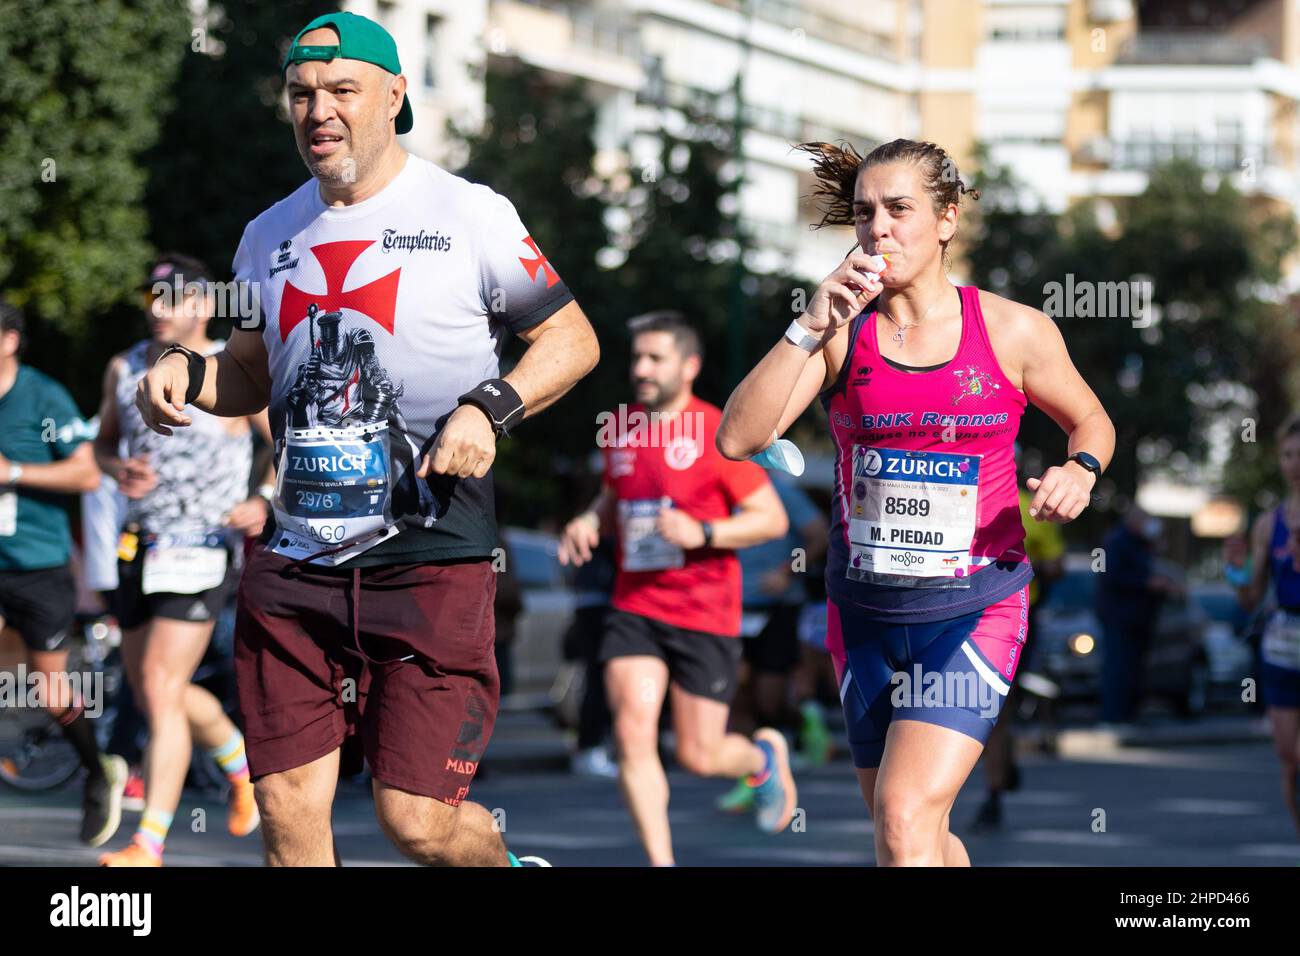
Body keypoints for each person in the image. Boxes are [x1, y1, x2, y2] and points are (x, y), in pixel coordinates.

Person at [135, 11, 598, 867]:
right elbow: (243, 372)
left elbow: (573, 340)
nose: (320, 112)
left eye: (342, 91)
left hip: (431, 556)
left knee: (414, 821)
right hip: (296, 562)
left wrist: (488, 407)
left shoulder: (472, 214)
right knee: (285, 813)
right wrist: (182, 373)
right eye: (302, 94)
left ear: (394, 96)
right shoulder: (263, 235)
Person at [717, 138, 1115, 866]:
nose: (879, 229)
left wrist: (1081, 470)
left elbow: (1093, 421)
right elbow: (740, 437)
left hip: (974, 611)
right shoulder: (840, 333)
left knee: (903, 820)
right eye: (865, 214)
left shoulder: (1013, 329)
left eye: (900, 210)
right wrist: (808, 326)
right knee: (909, 831)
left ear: (946, 220)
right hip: (863, 614)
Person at [558, 310, 794, 867]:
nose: (641, 368)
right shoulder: (621, 429)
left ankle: (761, 757)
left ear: (689, 366)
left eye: (655, 358)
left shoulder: (718, 432)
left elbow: (771, 520)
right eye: (637, 357)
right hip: (634, 605)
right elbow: (615, 497)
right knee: (634, 733)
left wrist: (704, 530)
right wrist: (590, 520)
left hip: (703, 609)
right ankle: (661, 861)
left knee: (699, 754)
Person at [94, 254, 273, 866]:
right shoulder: (125, 367)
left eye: (172, 298)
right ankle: (240, 763)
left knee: (162, 687)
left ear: (203, 305)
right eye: (152, 297)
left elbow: (284, 440)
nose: (158, 309)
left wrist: (264, 499)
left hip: (201, 547)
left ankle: (149, 842)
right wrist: (118, 469)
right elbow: (103, 446)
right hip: (138, 545)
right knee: (152, 688)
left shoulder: (232, 366)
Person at [0, 300, 123, 846]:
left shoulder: (42, 395)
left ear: (10, 340)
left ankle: (98, 772)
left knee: (49, 690)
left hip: (36, 566)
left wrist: (15, 471)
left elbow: (88, 475)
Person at [718, 470, 830, 813]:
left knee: (768, 696)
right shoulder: (719, 490)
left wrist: (787, 572)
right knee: (736, 692)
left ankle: (802, 721)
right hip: (730, 606)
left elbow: (819, 536)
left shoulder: (779, 491)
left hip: (776, 607)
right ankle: (750, 778)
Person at [970, 443, 1066, 831]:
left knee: (992, 708)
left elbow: (1056, 566)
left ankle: (994, 789)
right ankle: (998, 772)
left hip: (1008, 616)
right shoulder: (948, 493)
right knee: (989, 709)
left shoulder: (1025, 503)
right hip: (970, 612)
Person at [1225, 415, 1300, 838]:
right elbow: (1251, 598)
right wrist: (1236, 572)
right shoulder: (1269, 524)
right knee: (1288, 757)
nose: (1295, 464)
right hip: (1282, 646)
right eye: (1288, 455)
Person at [1095, 504, 1180, 726]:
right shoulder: (1117, 542)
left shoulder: (1142, 544)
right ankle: (1114, 716)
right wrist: (1147, 584)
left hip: (1139, 618)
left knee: (1134, 668)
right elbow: (1112, 578)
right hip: (1120, 617)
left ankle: (1128, 715)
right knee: (1118, 667)